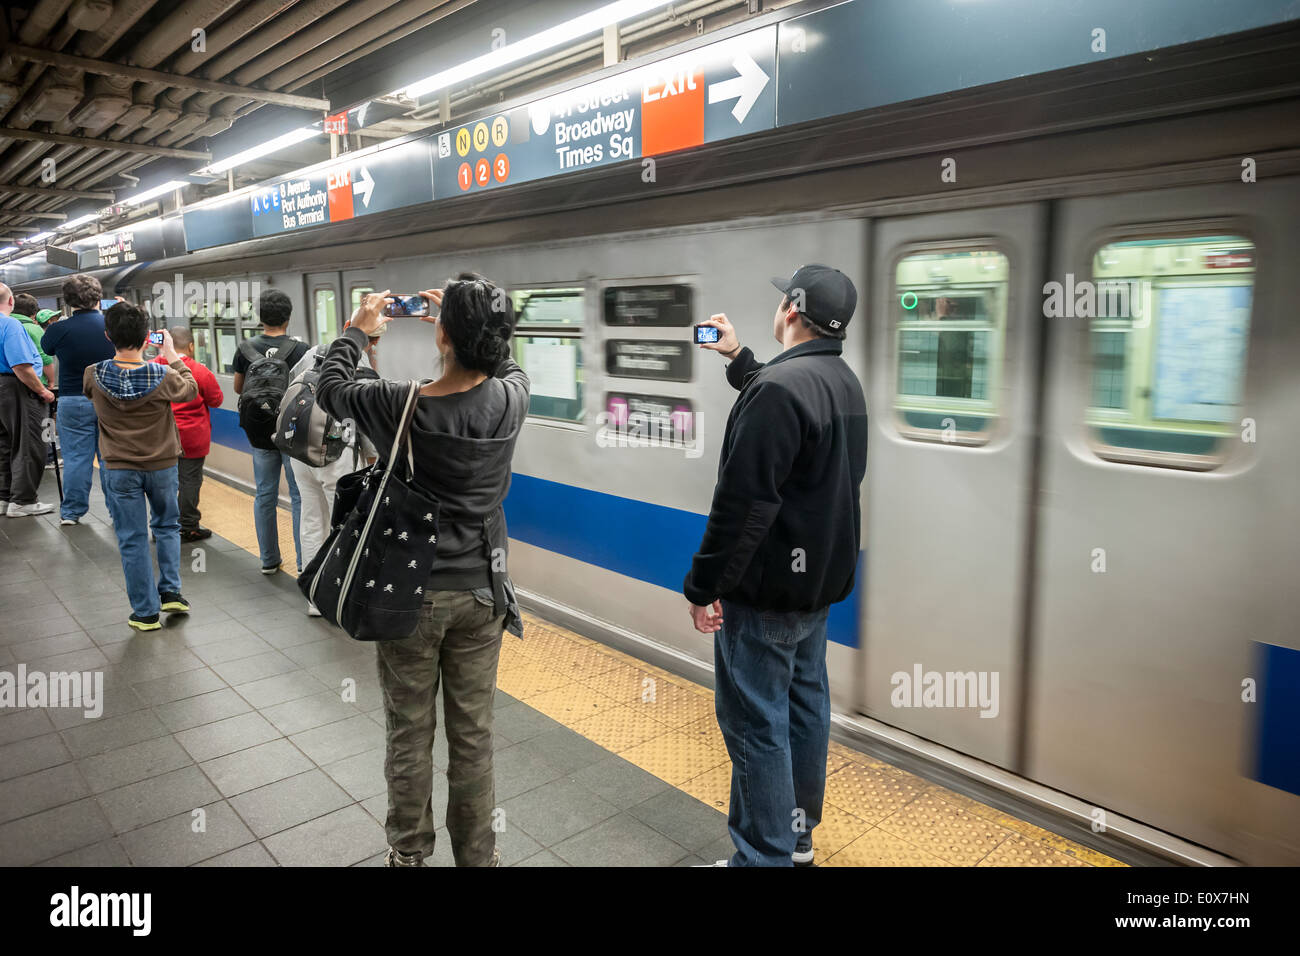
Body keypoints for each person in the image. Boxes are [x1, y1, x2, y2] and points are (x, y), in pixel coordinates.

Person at [315, 276, 529, 868]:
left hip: (411, 597)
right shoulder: (515, 396)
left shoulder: (400, 403)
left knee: (409, 732)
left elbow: (330, 388)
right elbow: (505, 361)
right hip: (483, 594)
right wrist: (471, 324)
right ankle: (478, 858)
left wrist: (359, 329)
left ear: (441, 335)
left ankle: (409, 854)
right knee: (474, 735)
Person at [684, 264, 868, 868]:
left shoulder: (780, 392)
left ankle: (762, 858)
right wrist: (738, 358)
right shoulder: (841, 381)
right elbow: (786, 410)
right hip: (816, 590)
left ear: (791, 309)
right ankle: (797, 837)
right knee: (804, 707)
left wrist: (704, 584)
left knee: (755, 722)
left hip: (764, 595)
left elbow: (743, 507)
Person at [84, 303, 197, 631]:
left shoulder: (93, 373)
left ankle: (145, 612)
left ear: (108, 335)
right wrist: (171, 354)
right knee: (167, 526)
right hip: (161, 465)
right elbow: (190, 390)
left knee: (131, 537)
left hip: (118, 467)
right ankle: (171, 591)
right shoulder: (162, 375)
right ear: (147, 337)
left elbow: (89, 393)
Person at [288, 318, 379, 616]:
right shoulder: (363, 364)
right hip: (337, 456)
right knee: (342, 525)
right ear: (373, 341)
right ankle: (339, 592)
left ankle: (314, 595)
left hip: (301, 452)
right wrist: (372, 458)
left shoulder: (314, 352)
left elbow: (292, 388)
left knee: (311, 520)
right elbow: (367, 419)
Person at [233, 289, 310, 574]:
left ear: (260, 318)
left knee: (265, 494)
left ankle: (268, 559)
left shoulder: (244, 348)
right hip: (291, 430)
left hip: (260, 432)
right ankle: (304, 563)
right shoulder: (301, 349)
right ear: (288, 318)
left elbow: (239, 388)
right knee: (299, 496)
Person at [41, 274, 115, 526]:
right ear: (98, 297)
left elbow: (47, 348)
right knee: (110, 459)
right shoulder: (111, 325)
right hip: (111, 400)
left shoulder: (58, 329)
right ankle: (117, 511)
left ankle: (71, 513)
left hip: (73, 400)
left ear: (69, 301)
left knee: (75, 459)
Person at [153, 326, 223, 542]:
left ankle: (162, 526)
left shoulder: (152, 367)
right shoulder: (199, 371)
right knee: (190, 481)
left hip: (160, 437)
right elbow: (216, 400)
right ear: (191, 346)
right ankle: (188, 526)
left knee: (162, 482)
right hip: (192, 437)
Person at [0, 283, 56, 517]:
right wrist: (42, 391)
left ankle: (4, 498)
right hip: (16, 388)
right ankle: (23, 501)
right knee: (29, 442)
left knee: (4, 444)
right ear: (11, 301)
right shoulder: (10, 324)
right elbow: (21, 366)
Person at [9, 293, 55, 387]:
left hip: (6, 383)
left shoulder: (5, 326)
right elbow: (44, 358)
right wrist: (51, 381)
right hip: (34, 382)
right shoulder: (34, 329)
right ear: (34, 313)